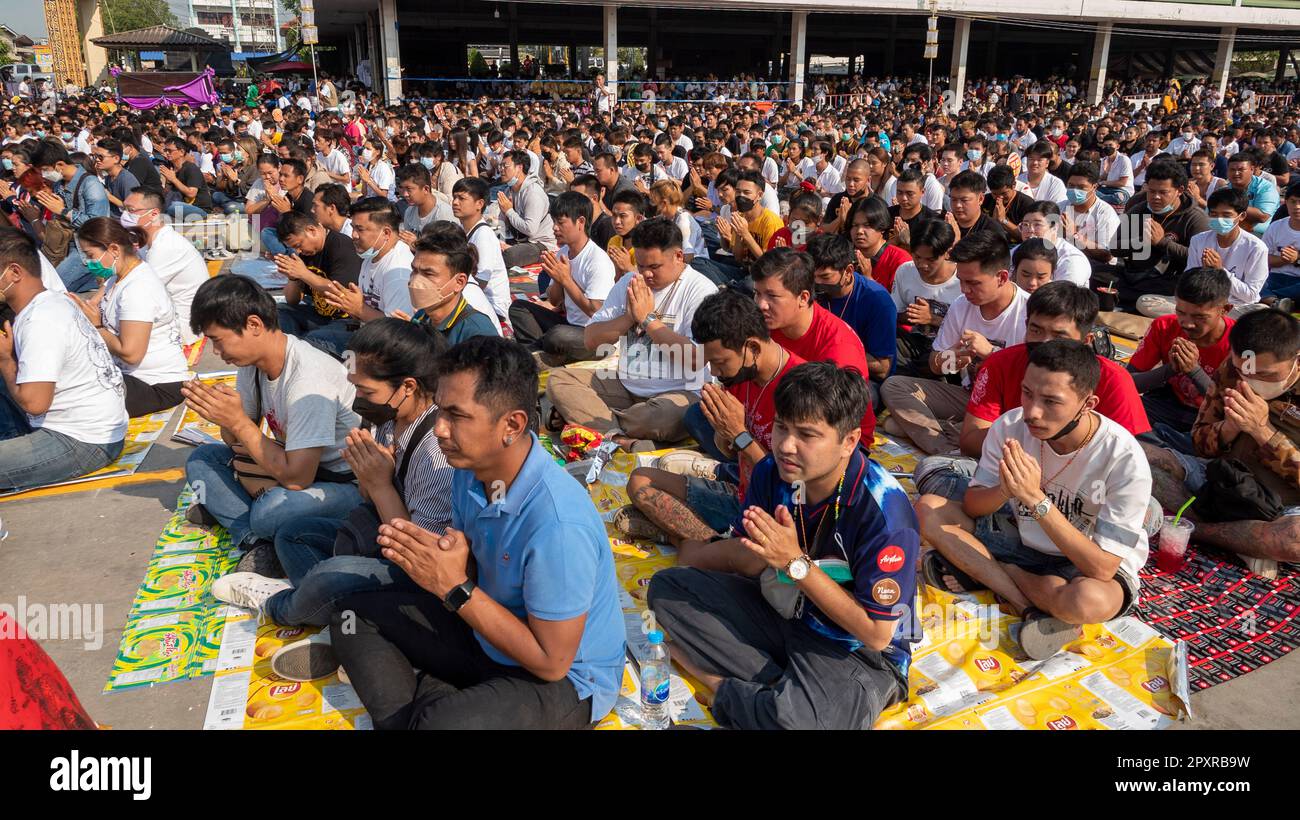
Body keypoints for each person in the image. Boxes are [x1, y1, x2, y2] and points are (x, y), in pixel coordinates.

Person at [330, 335, 626, 729]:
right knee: (352, 615)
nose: (439, 430)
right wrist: (449, 563)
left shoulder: (557, 524)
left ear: (512, 425)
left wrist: (454, 586)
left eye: (456, 416)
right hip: (483, 630)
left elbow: (552, 662)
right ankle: (424, 711)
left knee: (439, 721)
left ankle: (435, 704)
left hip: (562, 678)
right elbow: (466, 572)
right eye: (439, 412)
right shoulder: (468, 472)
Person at [647, 362, 919, 729]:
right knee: (668, 590)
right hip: (783, 611)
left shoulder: (885, 513)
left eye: (807, 435)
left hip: (854, 649)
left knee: (801, 724)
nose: (786, 446)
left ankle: (726, 688)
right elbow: (747, 558)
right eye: (781, 427)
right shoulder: (770, 472)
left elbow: (876, 633)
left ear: (849, 441)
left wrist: (795, 563)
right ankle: (788, 695)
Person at [212, 320, 452, 675]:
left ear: (407, 387)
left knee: (332, 575)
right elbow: (365, 501)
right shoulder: (386, 419)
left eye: (366, 392)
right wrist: (370, 482)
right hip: (383, 528)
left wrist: (381, 484)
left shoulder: (435, 448)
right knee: (292, 533)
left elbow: (419, 555)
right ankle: (340, 620)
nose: (357, 401)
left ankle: (280, 603)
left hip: (417, 562)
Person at [915, 340, 1152, 660]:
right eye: (1027, 393)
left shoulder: (1123, 458)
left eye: (1051, 401)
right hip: (1020, 538)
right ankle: (1024, 604)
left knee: (1086, 602)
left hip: (1081, 563)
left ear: (1088, 403)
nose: (1033, 412)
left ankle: (991, 571)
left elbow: (1101, 568)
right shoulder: (1010, 426)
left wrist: (1035, 498)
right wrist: (1005, 490)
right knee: (928, 510)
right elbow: (973, 506)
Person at [182, 275, 363, 566]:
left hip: (343, 483)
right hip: (294, 464)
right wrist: (225, 415)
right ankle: (253, 538)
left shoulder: (309, 378)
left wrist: (238, 421)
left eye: (218, 341)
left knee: (272, 511)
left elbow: (297, 479)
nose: (217, 353)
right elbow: (233, 440)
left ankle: (243, 518)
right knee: (202, 459)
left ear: (254, 325)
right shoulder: (252, 364)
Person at [623, 289, 806, 544]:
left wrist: (739, 436)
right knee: (641, 480)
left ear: (752, 347)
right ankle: (709, 542)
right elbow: (733, 451)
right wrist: (724, 434)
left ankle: (710, 547)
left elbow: (795, 487)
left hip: (777, 511)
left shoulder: (800, 391)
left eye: (720, 362)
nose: (715, 372)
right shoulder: (742, 374)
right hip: (743, 491)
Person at [1142, 308, 1300, 578]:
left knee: (1294, 539)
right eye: (1244, 372)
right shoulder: (1234, 368)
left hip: (1283, 504)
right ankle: (1241, 538)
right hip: (1222, 479)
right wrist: (1228, 429)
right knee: (1138, 456)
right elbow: (1199, 441)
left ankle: (1197, 529)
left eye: (1267, 375)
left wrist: (1263, 432)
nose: (1252, 381)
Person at [547, 217, 717, 450]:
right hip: (627, 386)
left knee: (660, 419)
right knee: (559, 381)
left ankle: (589, 421)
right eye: (641, 265)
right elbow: (590, 339)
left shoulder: (700, 290)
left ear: (678, 256)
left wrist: (648, 320)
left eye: (654, 267)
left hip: (679, 393)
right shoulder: (630, 282)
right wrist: (629, 317)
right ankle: (617, 438)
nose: (646, 274)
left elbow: (697, 359)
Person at [0, 229, 127, 492]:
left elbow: (35, 403)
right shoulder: (54, 301)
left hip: (82, 442)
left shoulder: (40, 320)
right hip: (99, 428)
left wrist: (5, 361)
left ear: (14, 272)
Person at [881, 230, 1027, 454]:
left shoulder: (1029, 312)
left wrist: (992, 355)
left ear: (1002, 277)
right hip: (969, 398)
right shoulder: (962, 305)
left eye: (973, 283)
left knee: (895, 424)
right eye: (960, 281)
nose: (964, 290)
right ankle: (950, 445)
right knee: (894, 387)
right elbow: (935, 363)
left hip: (1012, 406)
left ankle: (947, 435)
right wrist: (951, 358)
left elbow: (1037, 380)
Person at [67, 218, 187, 417]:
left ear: (114, 249)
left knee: (72, 399)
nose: (88, 262)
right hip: (129, 375)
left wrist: (97, 327)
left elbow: (131, 353)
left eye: (91, 255)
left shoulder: (138, 288)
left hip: (155, 384)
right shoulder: (119, 276)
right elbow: (93, 304)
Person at [509, 191, 613, 365]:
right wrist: (557, 279)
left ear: (580, 222)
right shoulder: (563, 252)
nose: (555, 228)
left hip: (594, 334)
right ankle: (537, 352)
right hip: (569, 325)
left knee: (557, 335)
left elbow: (595, 311)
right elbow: (555, 300)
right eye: (554, 222)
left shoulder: (597, 259)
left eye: (561, 223)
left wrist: (566, 280)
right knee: (519, 308)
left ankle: (536, 353)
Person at [1128, 267, 1234, 436]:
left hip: (1210, 418)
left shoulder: (1239, 343)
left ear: (1224, 310)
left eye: (1200, 317)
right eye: (1181, 312)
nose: (1187, 323)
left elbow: (1230, 407)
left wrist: (1194, 371)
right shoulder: (1164, 326)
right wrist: (1171, 369)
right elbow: (1129, 382)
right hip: (1166, 404)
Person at [807, 232, 896, 405]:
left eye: (825, 277)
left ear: (848, 271)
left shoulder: (877, 301)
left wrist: (833, 353)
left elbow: (882, 367)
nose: (816, 283)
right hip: (816, 365)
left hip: (859, 376)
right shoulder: (811, 292)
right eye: (813, 276)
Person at [1113, 159, 1209, 308]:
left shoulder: (1195, 218)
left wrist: (1162, 243)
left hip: (1167, 280)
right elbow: (1114, 248)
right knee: (1094, 272)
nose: (1155, 197)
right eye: (1151, 191)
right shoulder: (1139, 209)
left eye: (1163, 192)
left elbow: (1198, 260)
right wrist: (1141, 241)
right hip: (1132, 274)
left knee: (1175, 290)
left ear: (1180, 190)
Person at [123, 187, 210, 348]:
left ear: (154, 214)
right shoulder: (148, 242)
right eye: (124, 209)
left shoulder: (165, 247)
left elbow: (139, 290)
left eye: (131, 210)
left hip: (184, 325)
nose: (125, 215)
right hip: (168, 313)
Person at [273, 211, 364, 358]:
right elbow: (292, 300)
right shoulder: (305, 254)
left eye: (298, 245)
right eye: (293, 248)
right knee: (277, 312)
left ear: (311, 230)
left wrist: (303, 273)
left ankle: (297, 353)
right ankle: (292, 351)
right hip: (320, 314)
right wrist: (293, 277)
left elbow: (339, 292)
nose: (298, 251)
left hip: (347, 320)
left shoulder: (341, 246)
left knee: (311, 341)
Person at [32, 141, 111, 294]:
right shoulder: (59, 184)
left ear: (60, 164)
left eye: (45, 170)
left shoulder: (90, 184)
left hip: (86, 251)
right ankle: (93, 281)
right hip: (64, 247)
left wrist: (63, 210)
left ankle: (98, 275)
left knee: (50, 291)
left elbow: (98, 223)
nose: (43, 175)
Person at [320, 196, 413, 323]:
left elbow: (396, 327)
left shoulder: (399, 273)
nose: (353, 235)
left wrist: (359, 309)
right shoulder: (372, 254)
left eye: (360, 229)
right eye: (353, 228)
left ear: (386, 233)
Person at [891, 219, 961, 376]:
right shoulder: (905, 271)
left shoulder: (963, 279)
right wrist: (911, 315)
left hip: (949, 348)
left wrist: (932, 319)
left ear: (947, 253)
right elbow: (895, 314)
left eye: (931, 260)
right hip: (915, 343)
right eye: (917, 257)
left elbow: (971, 331)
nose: (922, 265)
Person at [406, 235, 501, 345]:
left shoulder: (477, 333)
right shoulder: (423, 315)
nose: (415, 280)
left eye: (428, 274)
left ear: (459, 282)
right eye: (414, 270)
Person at [451, 177, 510, 323]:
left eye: (461, 198)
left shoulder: (483, 235)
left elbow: (481, 282)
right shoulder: (467, 231)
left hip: (492, 304)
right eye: (454, 197)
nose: (455, 202)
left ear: (479, 204)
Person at [497, 149, 558, 268]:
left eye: (505, 166)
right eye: (500, 166)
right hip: (519, 239)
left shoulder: (533, 192)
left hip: (539, 243)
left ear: (519, 167)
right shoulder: (509, 190)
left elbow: (530, 229)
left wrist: (509, 211)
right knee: (489, 245)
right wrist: (501, 241)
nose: (501, 169)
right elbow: (502, 221)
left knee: (510, 257)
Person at [845, 195, 912, 292]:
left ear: (882, 227)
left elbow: (897, 304)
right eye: (854, 225)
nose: (859, 231)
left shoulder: (900, 260)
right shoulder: (846, 257)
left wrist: (869, 280)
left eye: (867, 225)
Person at [1015, 202, 1091, 287]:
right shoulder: (1017, 250)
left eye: (1037, 224)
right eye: (1025, 224)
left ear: (1055, 227)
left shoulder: (1072, 260)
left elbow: (1064, 296)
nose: (1030, 230)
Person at [1261, 182, 1300, 303]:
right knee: (1257, 284)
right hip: (1276, 278)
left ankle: (1274, 300)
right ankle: (1278, 302)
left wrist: (1297, 258)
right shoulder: (1276, 226)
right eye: (1293, 201)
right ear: (1286, 203)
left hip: (1298, 281)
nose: (1297, 206)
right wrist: (1283, 260)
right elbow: (1262, 258)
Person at [158, 134, 213, 219]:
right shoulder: (171, 169)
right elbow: (167, 194)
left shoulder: (191, 168)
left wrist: (173, 179)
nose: (167, 153)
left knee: (174, 206)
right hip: (182, 205)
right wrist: (168, 182)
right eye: (165, 150)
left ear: (181, 152)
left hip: (200, 209)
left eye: (170, 150)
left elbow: (191, 193)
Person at [396, 164, 454, 244]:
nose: (405, 194)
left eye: (409, 189)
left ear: (426, 189)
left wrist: (417, 244)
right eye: (402, 188)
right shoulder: (409, 212)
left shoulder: (444, 214)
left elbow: (449, 250)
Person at [946, 170, 1007, 243]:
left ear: (980, 199)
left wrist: (956, 243)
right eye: (954, 199)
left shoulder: (992, 231)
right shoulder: (943, 223)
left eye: (964, 200)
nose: (958, 205)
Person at [92, 138, 139, 216]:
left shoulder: (127, 179)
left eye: (101, 157)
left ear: (116, 159)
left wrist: (109, 197)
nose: (97, 160)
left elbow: (134, 210)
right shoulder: (109, 177)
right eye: (95, 156)